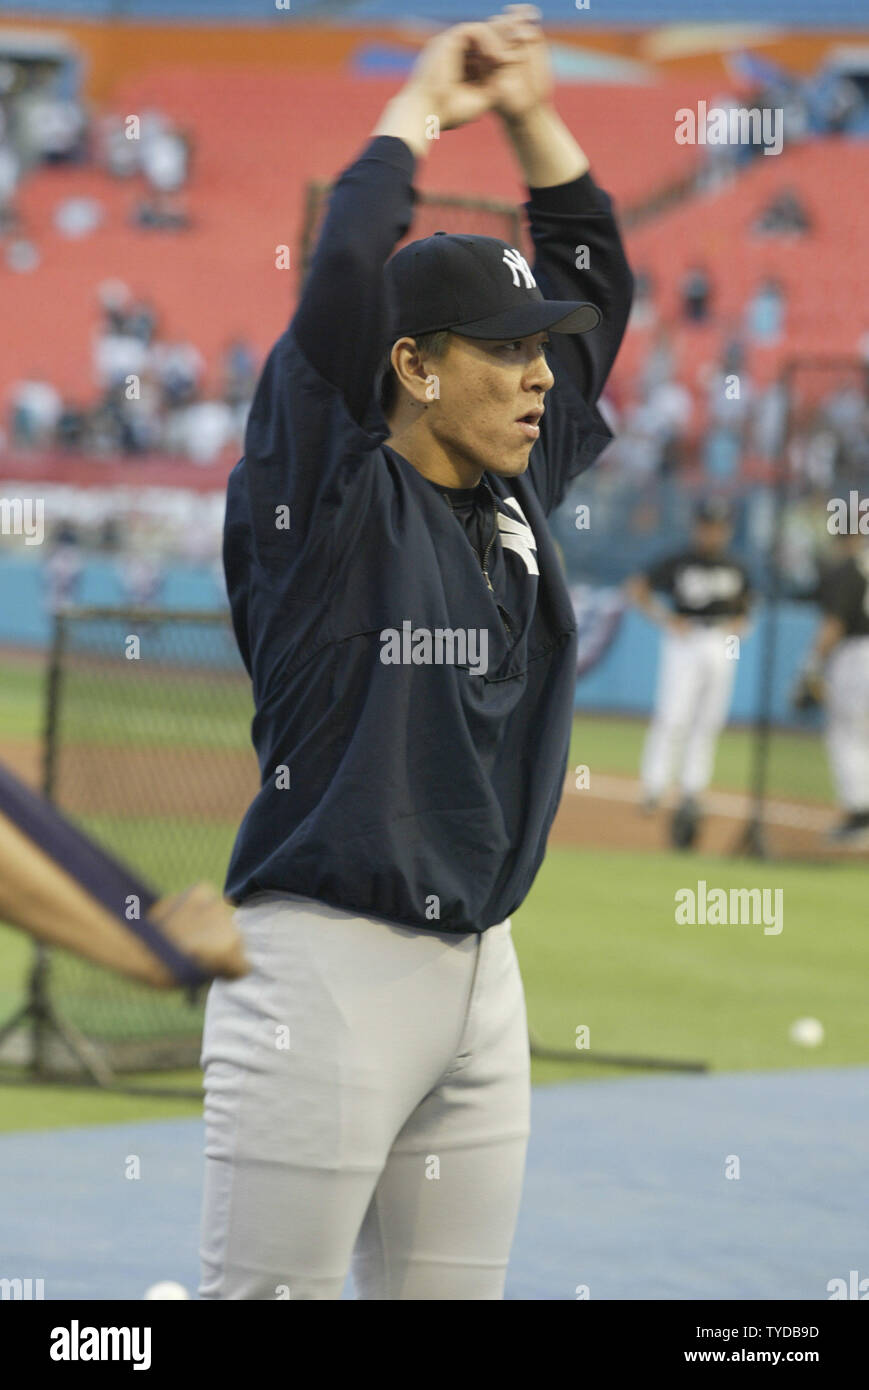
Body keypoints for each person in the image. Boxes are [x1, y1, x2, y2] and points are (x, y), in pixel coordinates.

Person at [199, 6, 632, 1301]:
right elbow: (340, 273)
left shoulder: (513, 478)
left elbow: (598, 283)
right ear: (413, 366)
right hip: (326, 967)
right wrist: (419, 112)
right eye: (503, 350)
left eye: (536, 351)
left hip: (480, 978)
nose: (538, 375)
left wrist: (533, 117)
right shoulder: (322, 490)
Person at [625, 497, 751, 849]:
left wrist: (738, 628)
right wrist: (666, 619)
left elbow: (747, 606)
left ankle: (694, 789)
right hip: (686, 638)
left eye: (720, 527)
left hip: (721, 640)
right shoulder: (679, 560)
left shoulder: (736, 565)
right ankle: (654, 785)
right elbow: (637, 588)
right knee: (673, 715)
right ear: (698, 527)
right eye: (708, 526)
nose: (713, 533)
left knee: (708, 721)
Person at [793, 531, 869, 848]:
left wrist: (810, 668)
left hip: (856, 656)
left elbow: (833, 625)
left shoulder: (850, 569)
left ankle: (858, 816)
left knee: (846, 733)